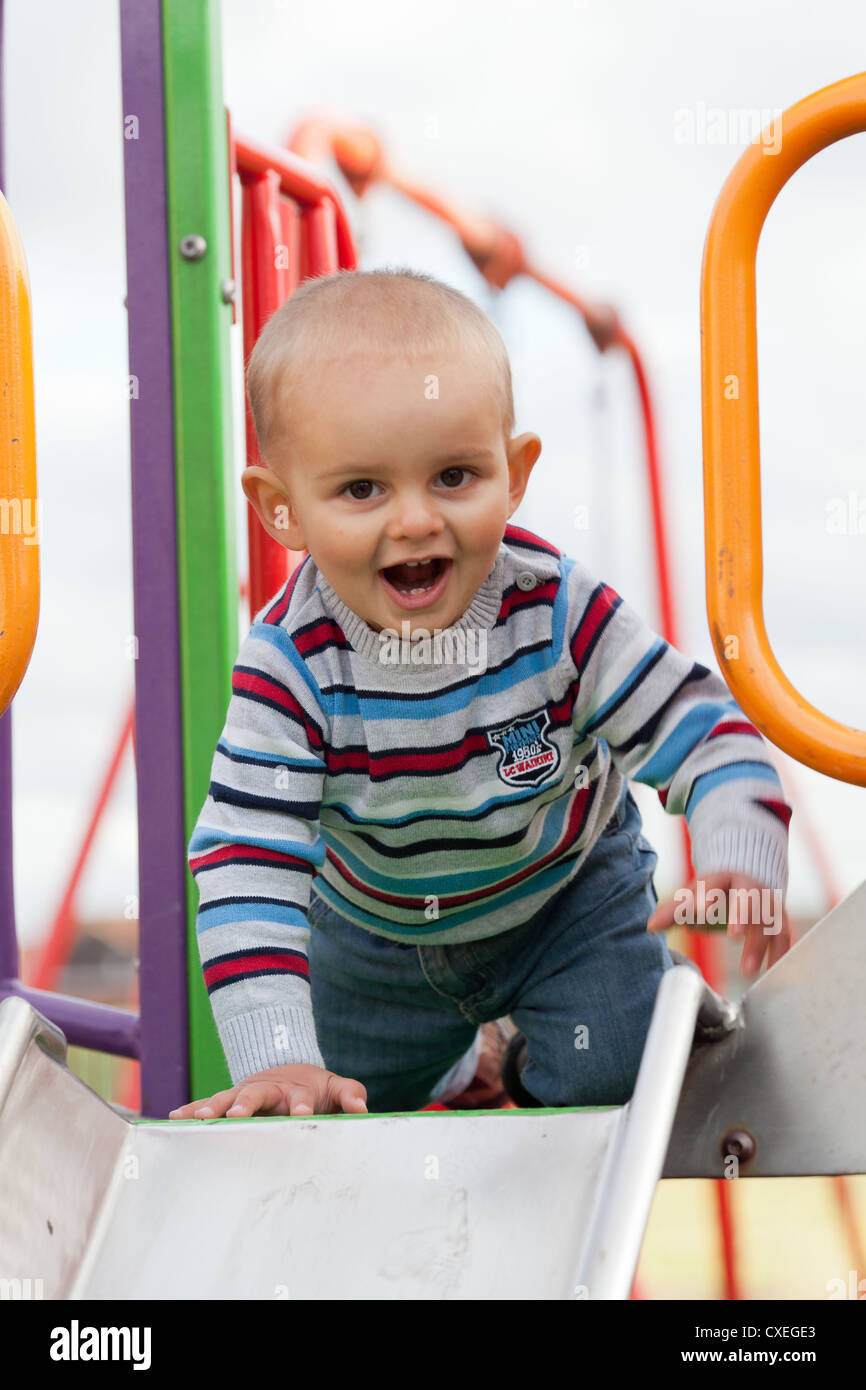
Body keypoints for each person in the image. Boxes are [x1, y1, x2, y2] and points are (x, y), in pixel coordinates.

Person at [168, 267, 791, 1124]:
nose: (417, 519)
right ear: (282, 512)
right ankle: (467, 1067)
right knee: (334, 1112)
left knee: (619, 1074)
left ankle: (556, 1051)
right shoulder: (291, 665)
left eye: (456, 476)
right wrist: (280, 1061)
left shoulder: (558, 612)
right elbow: (246, 855)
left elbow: (704, 728)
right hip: (372, 932)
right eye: (362, 490)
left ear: (516, 471)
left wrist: (738, 852)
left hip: (565, 895)